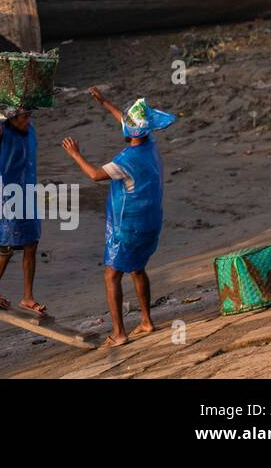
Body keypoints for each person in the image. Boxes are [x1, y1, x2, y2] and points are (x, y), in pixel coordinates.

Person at [61, 88, 176, 346]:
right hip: (150, 222)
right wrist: (104, 102)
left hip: (127, 226)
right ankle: (146, 321)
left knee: (111, 275)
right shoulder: (150, 147)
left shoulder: (126, 160)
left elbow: (94, 175)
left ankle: (119, 333)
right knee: (137, 268)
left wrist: (75, 154)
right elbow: (128, 125)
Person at [0, 96, 45, 316]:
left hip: (25, 193)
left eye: (29, 117)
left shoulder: (27, 131)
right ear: (12, 119)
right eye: (24, 117)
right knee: (5, 249)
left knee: (31, 243)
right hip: (5, 198)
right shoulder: (2, 132)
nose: (28, 121)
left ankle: (28, 297)